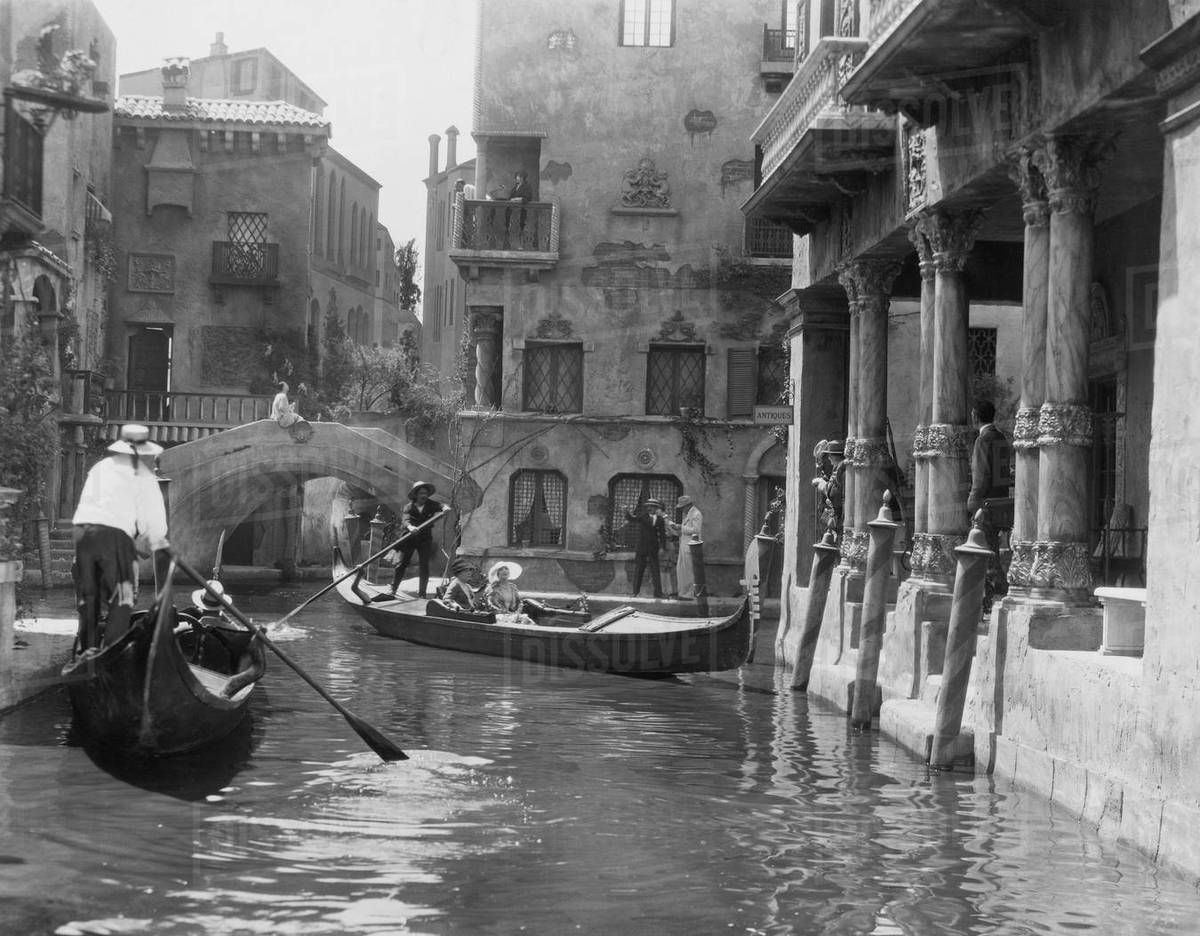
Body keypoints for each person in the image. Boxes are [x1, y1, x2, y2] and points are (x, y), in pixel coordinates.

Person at [72, 423, 170, 652]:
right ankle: (110, 654)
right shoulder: (144, 476)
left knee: (89, 599)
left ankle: (88, 653)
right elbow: (156, 527)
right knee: (123, 600)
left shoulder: (100, 467)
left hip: (83, 536)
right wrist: (153, 542)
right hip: (115, 538)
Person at [968, 400, 1013, 610]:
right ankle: (994, 591)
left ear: (975, 417)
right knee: (991, 546)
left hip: (984, 503)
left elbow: (981, 476)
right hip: (1001, 501)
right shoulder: (1001, 437)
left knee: (983, 550)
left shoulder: (983, 439)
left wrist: (972, 502)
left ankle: (994, 592)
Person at [380, 482, 444, 599]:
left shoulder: (431, 504)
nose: (424, 496)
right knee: (402, 564)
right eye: (421, 493)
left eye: (425, 493)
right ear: (416, 495)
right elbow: (405, 521)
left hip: (425, 539)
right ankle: (393, 589)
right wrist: (410, 527)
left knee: (424, 566)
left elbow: (442, 506)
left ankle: (422, 594)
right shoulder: (408, 507)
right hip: (410, 538)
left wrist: (445, 508)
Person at [626, 498, 667, 598]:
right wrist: (626, 511)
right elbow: (632, 518)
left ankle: (658, 593)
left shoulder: (660, 519)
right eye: (649, 506)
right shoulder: (643, 516)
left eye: (652, 507)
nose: (650, 508)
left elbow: (662, 534)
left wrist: (662, 547)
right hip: (642, 548)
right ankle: (635, 592)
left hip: (654, 548)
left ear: (656, 508)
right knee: (639, 569)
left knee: (655, 570)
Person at [666, 495, 703, 599]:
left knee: (688, 572)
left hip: (691, 547)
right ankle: (683, 593)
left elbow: (696, 530)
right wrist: (672, 528)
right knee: (682, 571)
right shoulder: (687, 516)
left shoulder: (696, 514)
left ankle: (689, 594)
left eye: (682, 507)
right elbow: (682, 533)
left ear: (688, 505)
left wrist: (680, 527)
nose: (682, 510)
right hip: (684, 547)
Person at [812, 440, 846, 538]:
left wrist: (822, 485)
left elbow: (833, 493)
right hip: (834, 514)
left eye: (828, 456)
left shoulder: (841, 468)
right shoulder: (837, 468)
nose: (828, 459)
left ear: (831, 456)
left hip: (840, 516)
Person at [484, 560, 536, 625]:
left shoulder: (513, 587)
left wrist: (517, 612)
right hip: (498, 616)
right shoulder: (492, 588)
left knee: (528, 621)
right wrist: (507, 613)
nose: (504, 571)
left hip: (512, 615)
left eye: (506, 569)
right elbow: (492, 605)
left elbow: (518, 602)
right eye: (501, 569)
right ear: (497, 573)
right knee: (522, 620)